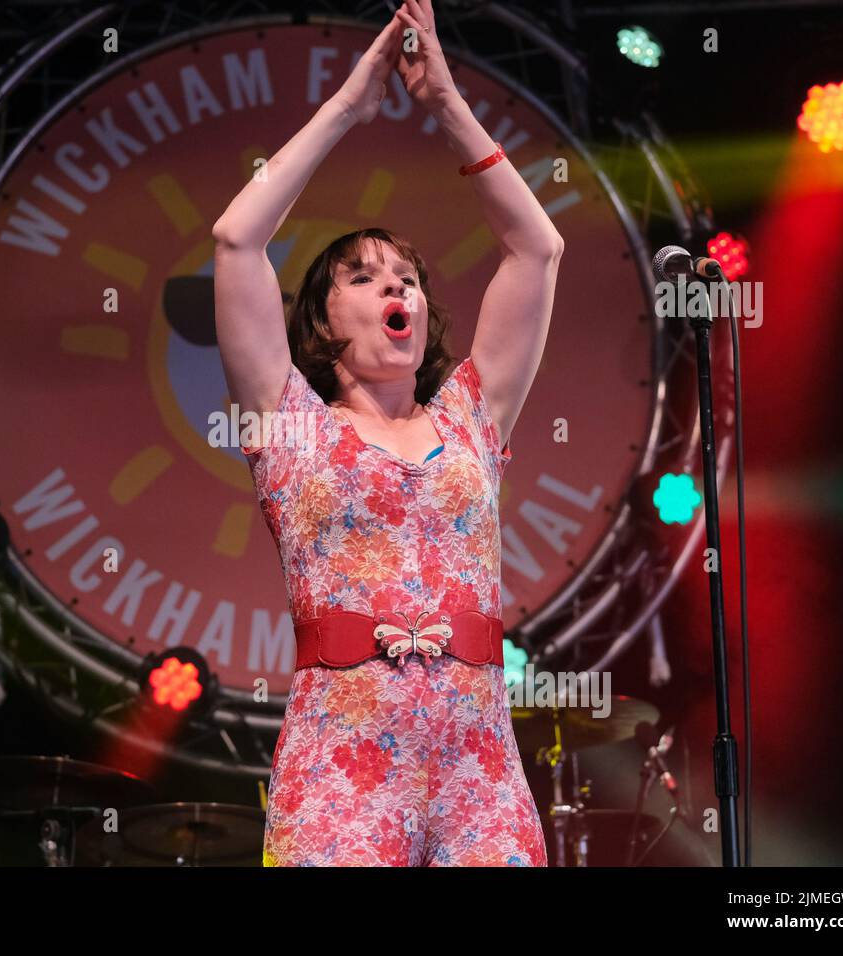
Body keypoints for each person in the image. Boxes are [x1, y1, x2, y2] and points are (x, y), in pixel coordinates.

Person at [212, 0, 562, 866]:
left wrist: (446, 104)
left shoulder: (472, 420)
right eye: (363, 278)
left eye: (404, 275)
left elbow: (538, 251)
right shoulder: (289, 423)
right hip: (340, 764)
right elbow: (233, 241)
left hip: (480, 770)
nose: (392, 286)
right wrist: (349, 107)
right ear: (324, 324)